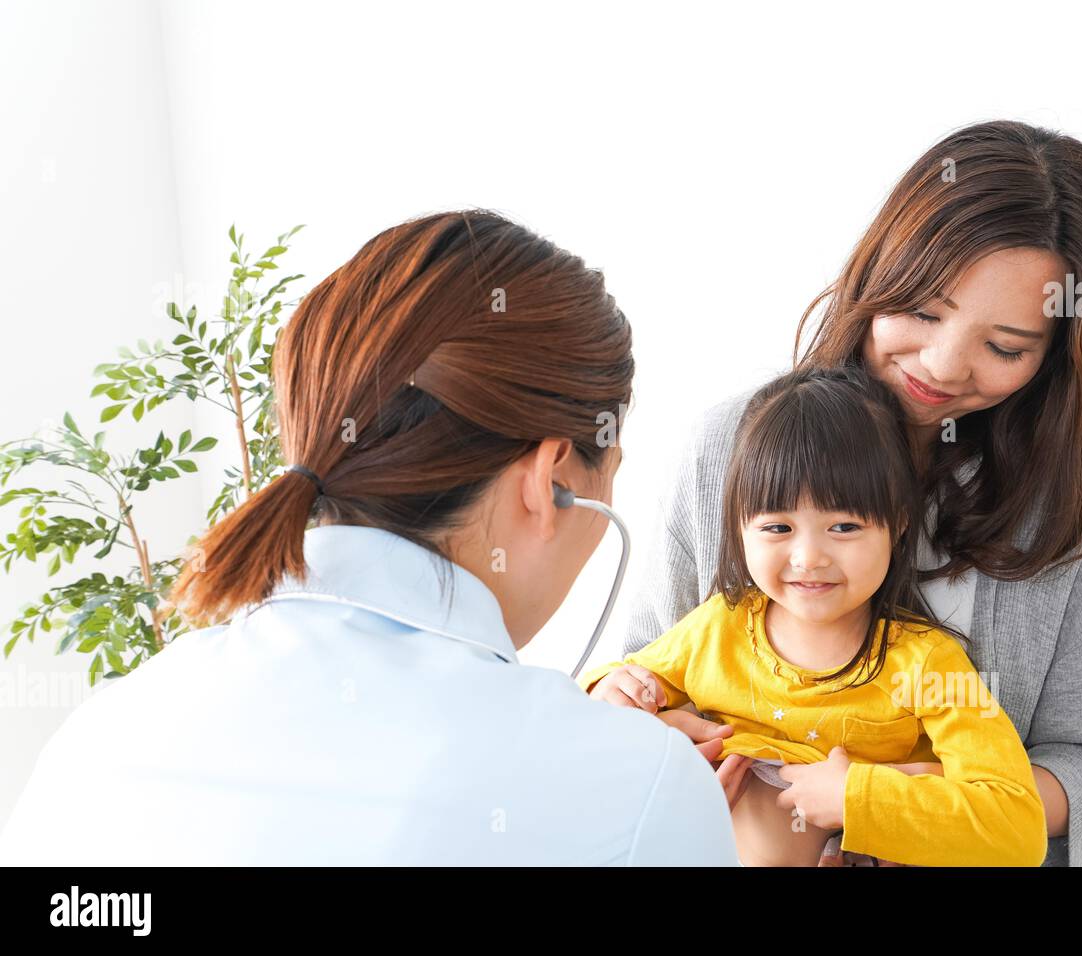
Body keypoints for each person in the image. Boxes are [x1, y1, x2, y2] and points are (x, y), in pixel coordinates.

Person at [0, 210, 738, 866]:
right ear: (550, 484)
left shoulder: (95, 742)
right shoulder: (642, 792)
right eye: (609, 473)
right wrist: (633, 779)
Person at [626, 120, 1082, 867]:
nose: (944, 366)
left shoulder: (1070, 507)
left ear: (1056, 358)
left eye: (1006, 347)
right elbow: (637, 677)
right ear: (875, 276)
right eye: (922, 311)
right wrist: (652, 730)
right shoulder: (729, 448)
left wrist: (939, 804)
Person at [582, 366, 1049, 867]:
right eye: (778, 526)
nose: (808, 557)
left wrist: (858, 796)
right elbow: (616, 694)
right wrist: (610, 690)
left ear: (898, 523)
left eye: (844, 525)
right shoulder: (719, 626)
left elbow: (1017, 830)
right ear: (740, 528)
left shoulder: (928, 665)